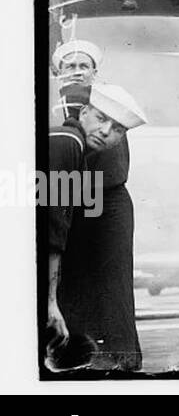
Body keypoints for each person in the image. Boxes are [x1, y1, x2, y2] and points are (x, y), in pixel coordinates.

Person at [43, 82, 147, 372]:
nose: (105, 132)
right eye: (101, 119)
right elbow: (52, 231)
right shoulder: (66, 144)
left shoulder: (73, 144)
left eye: (118, 130)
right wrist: (51, 301)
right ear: (84, 111)